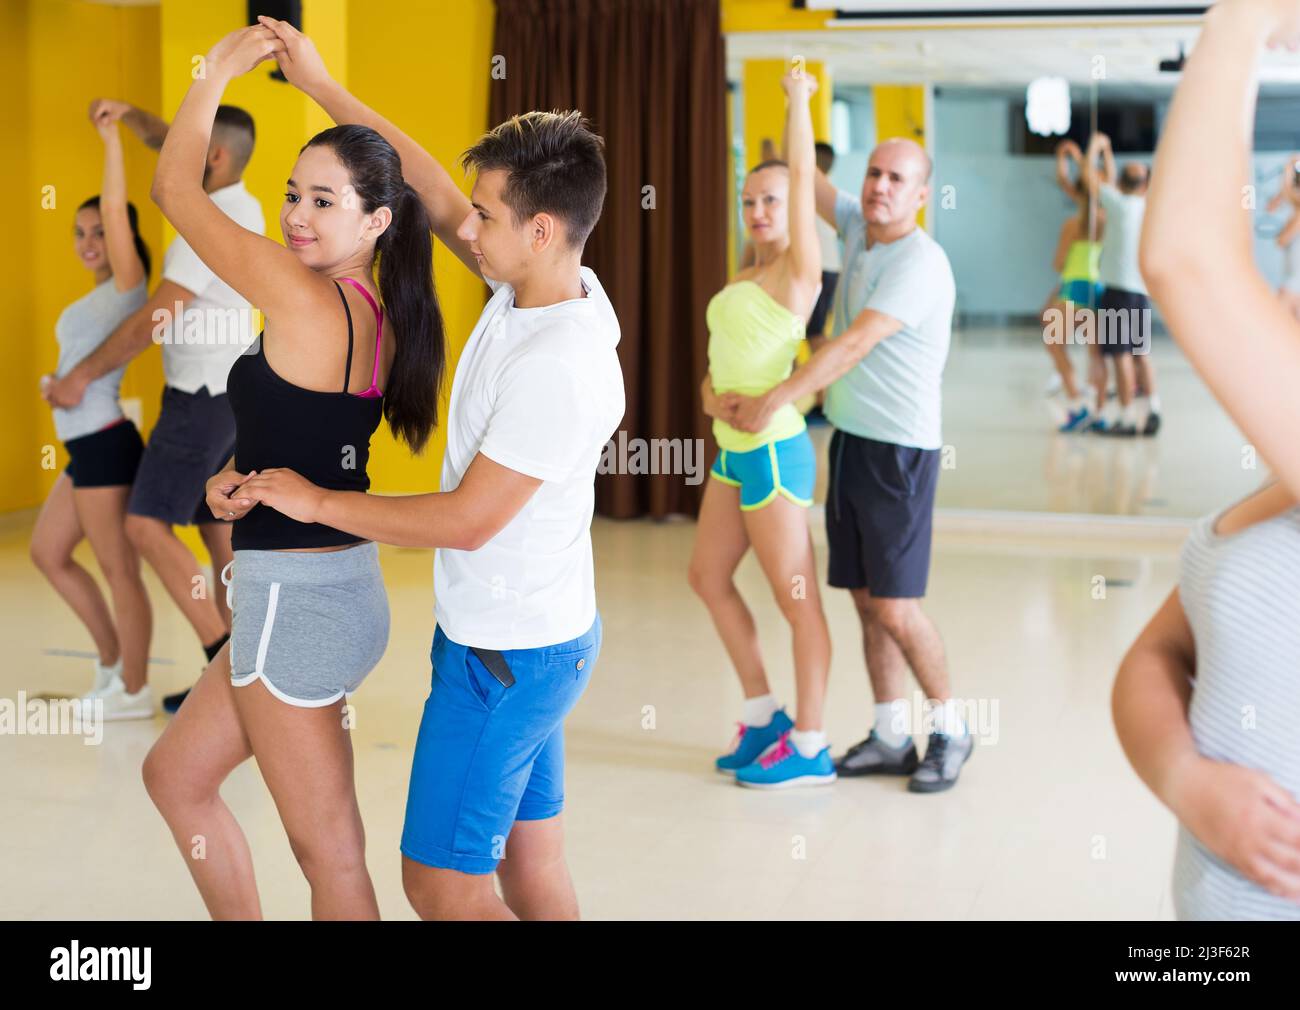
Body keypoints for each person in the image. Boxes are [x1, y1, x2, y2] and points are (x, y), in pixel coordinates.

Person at [235, 16, 624, 920]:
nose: (462, 225)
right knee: (532, 870)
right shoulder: (537, 284)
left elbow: (465, 520)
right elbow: (431, 186)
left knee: (440, 883)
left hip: (505, 655)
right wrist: (323, 87)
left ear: (538, 228)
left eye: (485, 217)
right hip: (540, 642)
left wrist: (314, 500)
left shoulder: (557, 364)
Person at [140, 22, 446, 919]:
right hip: (328, 591)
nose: (296, 216)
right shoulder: (381, 314)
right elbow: (314, 440)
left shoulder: (300, 292)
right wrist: (232, 478)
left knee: (332, 857)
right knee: (176, 775)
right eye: (290, 195)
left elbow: (173, 187)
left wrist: (219, 69)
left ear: (376, 221)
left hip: (291, 611)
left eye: (323, 201)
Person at [1114, 0, 1300, 918]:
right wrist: (1189, 784)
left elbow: (1187, 253)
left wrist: (1242, 21)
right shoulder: (1276, 482)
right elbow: (1153, 659)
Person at [729, 136, 972, 793]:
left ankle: (952, 726)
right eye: (874, 173)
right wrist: (797, 101)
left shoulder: (919, 262)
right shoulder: (861, 227)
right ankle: (892, 733)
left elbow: (856, 342)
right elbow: (803, 176)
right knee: (866, 601)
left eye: (898, 179)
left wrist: (777, 397)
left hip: (900, 452)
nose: (880, 186)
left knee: (896, 607)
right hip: (854, 441)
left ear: (921, 196)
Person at [43, 96, 265, 716]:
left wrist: (81, 376)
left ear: (213, 157)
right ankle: (243, 676)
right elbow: (181, 141)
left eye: (190, 147)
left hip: (198, 399)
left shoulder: (205, 219)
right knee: (217, 531)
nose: (174, 159)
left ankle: (223, 668)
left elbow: (156, 319)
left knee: (144, 524)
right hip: (232, 397)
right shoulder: (241, 203)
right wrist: (130, 120)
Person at [690, 70, 833, 789]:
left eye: (770, 200)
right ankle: (763, 712)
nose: (758, 211)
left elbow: (804, 174)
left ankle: (811, 745)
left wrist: (798, 100)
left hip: (775, 456)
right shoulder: (746, 272)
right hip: (730, 451)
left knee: (795, 598)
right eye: (749, 201)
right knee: (707, 578)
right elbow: (719, 366)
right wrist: (711, 394)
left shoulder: (797, 271)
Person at [31, 109, 153, 716]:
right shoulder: (94, 300)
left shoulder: (129, 285)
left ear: (122, 236)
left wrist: (110, 138)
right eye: (79, 232)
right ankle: (109, 669)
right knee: (47, 553)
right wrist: (60, 383)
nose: (88, 242)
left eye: (99, 231)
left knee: (117, 568)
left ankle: (134, 689)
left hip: (106, 443)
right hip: (86, 446)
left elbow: (115, 207)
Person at [1084, 131, 1161, 437]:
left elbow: (1091, 178)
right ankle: (1154, 408)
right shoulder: (1146, 208)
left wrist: (1096, 148)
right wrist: (1109, 151)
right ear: (1145, 184)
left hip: (1118, 291)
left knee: (1121, 355)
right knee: (1141, 352)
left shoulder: (1118, 205)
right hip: (1141, 292)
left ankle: (1128, 418)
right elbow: (1112, 182)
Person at [1041, 139, 1105, 433]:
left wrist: (1078, 156)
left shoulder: (1072, 224)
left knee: (1054, 344)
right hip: (1098, 287)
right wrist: (1078, 157)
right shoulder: (1106, 219)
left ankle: (1078, 403)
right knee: (1095, 353)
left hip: (1074, 287)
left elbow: (1058, 263)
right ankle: (1097, 410)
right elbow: (1065, 180)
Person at [1266, 152, 1300, 322]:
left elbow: (1282, 240)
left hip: (1294, 287)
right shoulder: (1294, 213)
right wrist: (1289, 168)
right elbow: (1271, 207)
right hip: (1292, 285)